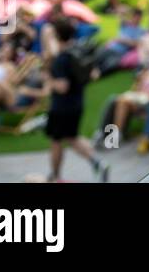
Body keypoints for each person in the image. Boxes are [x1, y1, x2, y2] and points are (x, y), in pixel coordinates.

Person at [45, 16, 110, 182]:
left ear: (57, 36)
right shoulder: (78, 51)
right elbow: (92, 75)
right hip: (77, 103)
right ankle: (98, 163)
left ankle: (56, 177)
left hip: (61, 107)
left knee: (57, 141)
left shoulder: (61, 59)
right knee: (72, 138)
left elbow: (62, 86)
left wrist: (48, 79)